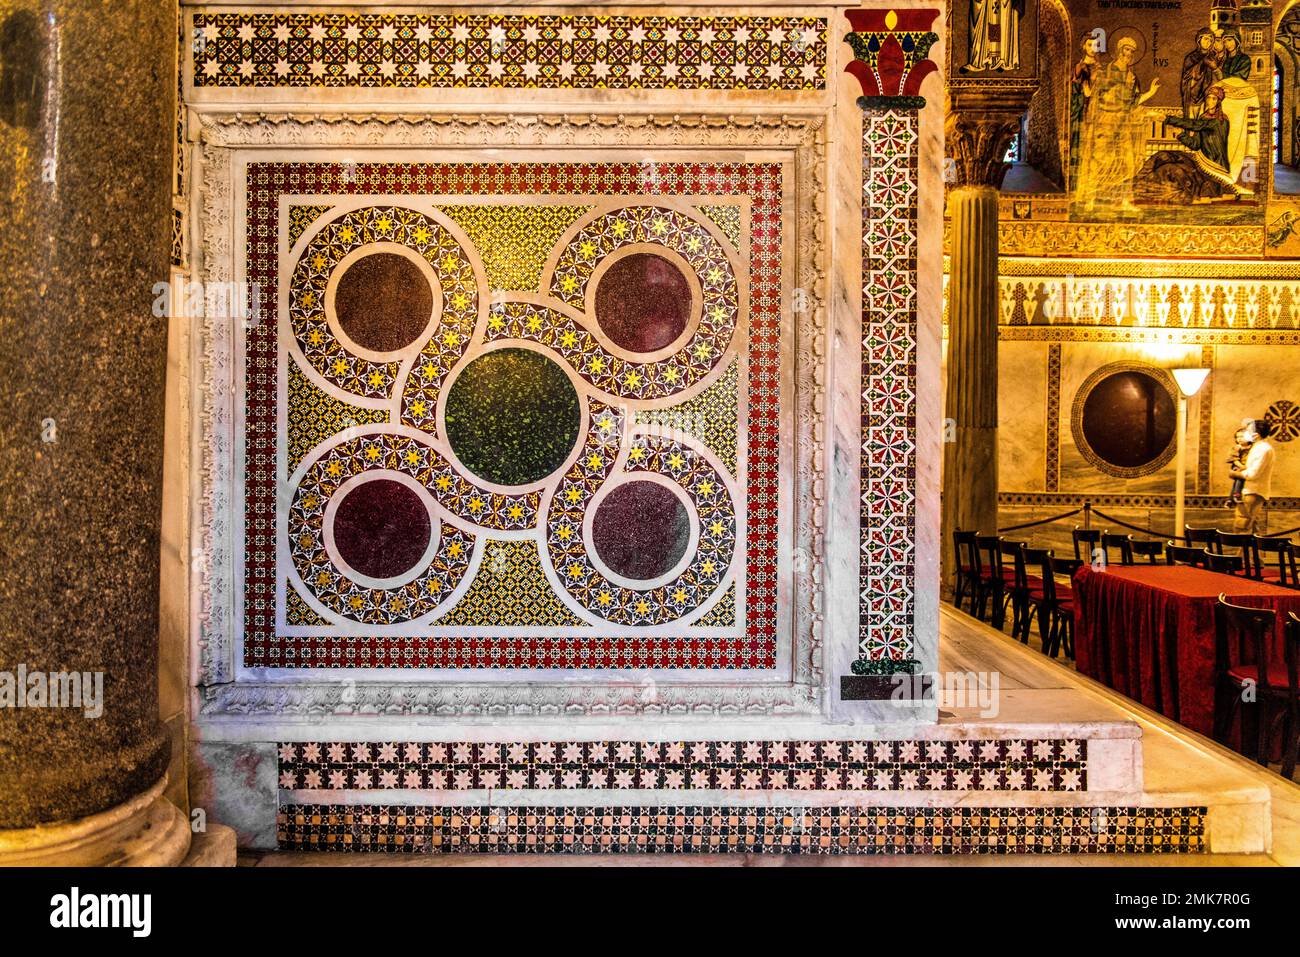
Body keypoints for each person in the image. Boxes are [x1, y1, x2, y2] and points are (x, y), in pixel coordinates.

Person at [1075, 36, 1162, 214]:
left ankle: (1123, 200)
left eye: (1132, 51)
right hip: (1105, 123)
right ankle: (1091, 199)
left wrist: (1151, 93)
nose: (1129, 54)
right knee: (1099, 162)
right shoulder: (1106, 71)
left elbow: (1133, 103)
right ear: (1119, 50)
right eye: (1126, 50)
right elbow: (1095, 97)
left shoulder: (1131, 77)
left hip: (1122, 125)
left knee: (1127, 163)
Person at [1230, 419, 1276, 535]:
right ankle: (1251, 553)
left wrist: (1236, 474)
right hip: (1250, 491)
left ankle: (1241, 554)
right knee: (1252, 529)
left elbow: (1254, 473)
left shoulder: (1263, 449)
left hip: (1252, 492)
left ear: (1256, 435)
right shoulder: (1257, 447)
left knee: (1241, 526)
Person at [1224, 424, 1253, 507]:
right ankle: (1237, 495)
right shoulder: (1237, 448)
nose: (1239, 439)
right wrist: (1241, 466)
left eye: (1242, 437)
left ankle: (1230, 500)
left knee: (1237, 483)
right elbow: (1234, 459)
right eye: (1237, 437)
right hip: (1238, 467)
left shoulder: (1252, 447)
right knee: (1239, 480)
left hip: (1246, 467)